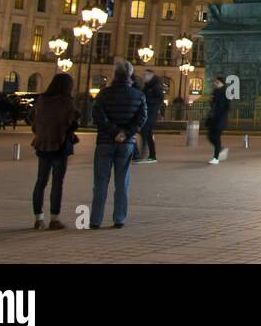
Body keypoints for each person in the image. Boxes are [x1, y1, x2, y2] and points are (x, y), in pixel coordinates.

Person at [90, 60, 148, 229]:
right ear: (130, 74)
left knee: (100, 182)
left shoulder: (104, 94)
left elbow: (98, 117)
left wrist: (114, 132)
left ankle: (95, 220)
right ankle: (119, 219)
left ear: (115, 74)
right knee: (122, 182)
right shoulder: (138, 95)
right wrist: (126, 133)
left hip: (104, 142)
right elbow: (141, 118)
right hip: (127, 144)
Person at [30, 73, 79, 230]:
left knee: (40, 182)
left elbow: (33, 122)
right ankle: (54, 219)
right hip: (60, 145)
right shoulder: (66, 102)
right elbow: (72, 122)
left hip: (42, 145)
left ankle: (38, 219)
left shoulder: (41, 100)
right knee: (57, 183)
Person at [136, 70, 166, 164]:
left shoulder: (155, 86)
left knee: (145, 132)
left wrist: (147, 102)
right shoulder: (148, 86)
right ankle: (152, 155)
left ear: (151, 75)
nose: (144, 76)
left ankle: (144, 155)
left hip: (150, 113)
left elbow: (159, 99)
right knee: (147, 134)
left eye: (145, 75)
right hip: (147, 112)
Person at [206, 75, 229, 164]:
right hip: (213, 118)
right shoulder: (215, 91)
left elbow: (226, 106)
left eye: (217, 82)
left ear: (221, 83)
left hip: (220, 118)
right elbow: (213, 104)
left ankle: (216, 158)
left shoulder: (225, 92)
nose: (215, 83)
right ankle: (221, 149)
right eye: (215, 82)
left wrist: (222, 116)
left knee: (216, 137)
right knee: (210, 136)